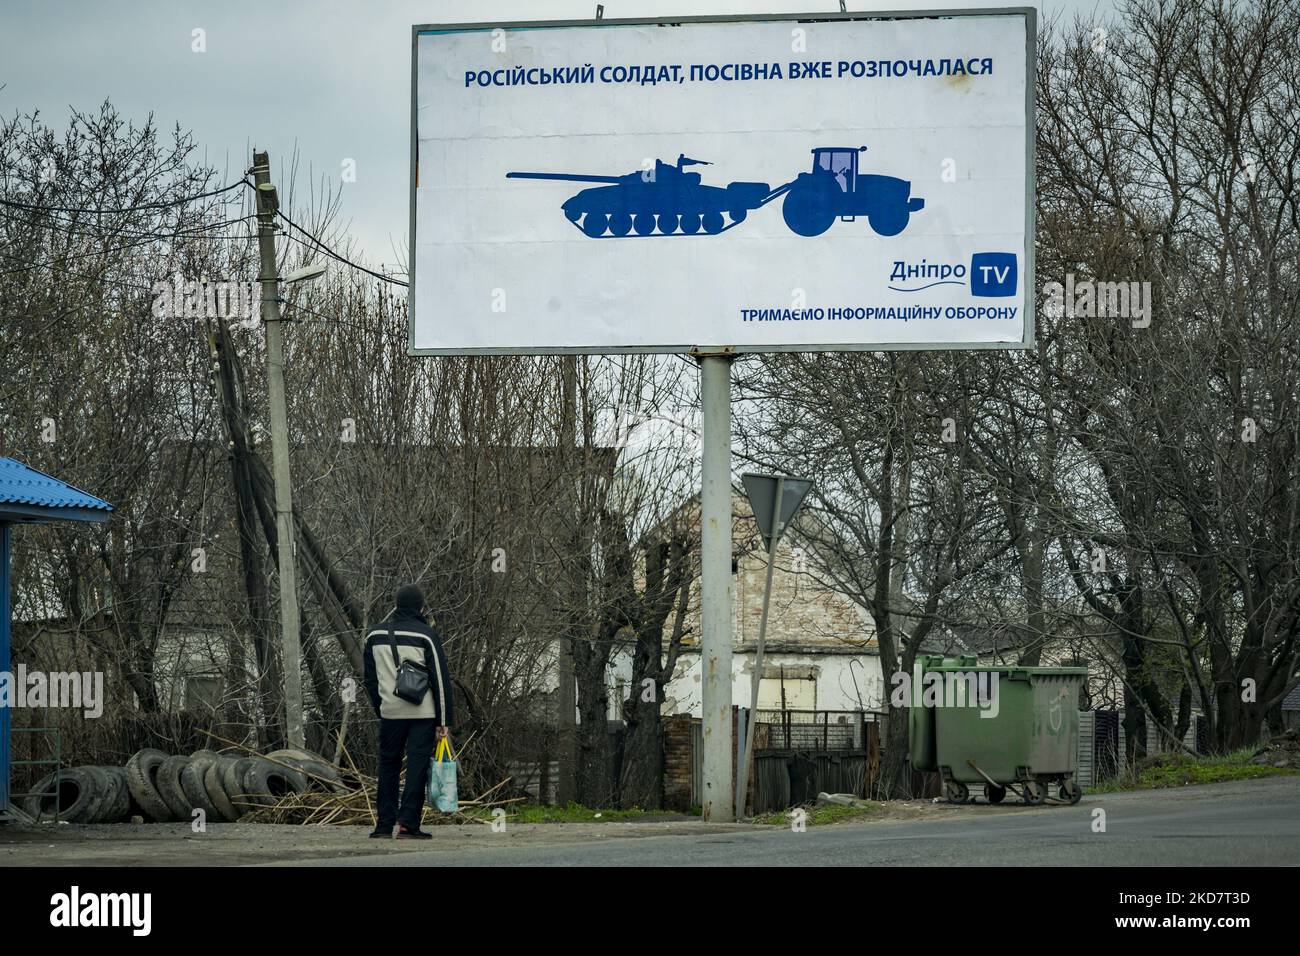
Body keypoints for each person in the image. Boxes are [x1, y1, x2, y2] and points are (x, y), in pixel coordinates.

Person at [362, 584, 453, 839]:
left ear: (397, 605)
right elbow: (440, 680)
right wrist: (444, 720)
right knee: (416, 766)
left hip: (390, 712)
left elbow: (369, 679)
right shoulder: (426, 636)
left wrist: (381, 707)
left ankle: (382, 826)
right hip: (422, 714)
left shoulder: (374, 635)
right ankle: (407, 825)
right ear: (420, 607)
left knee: (388, 766)